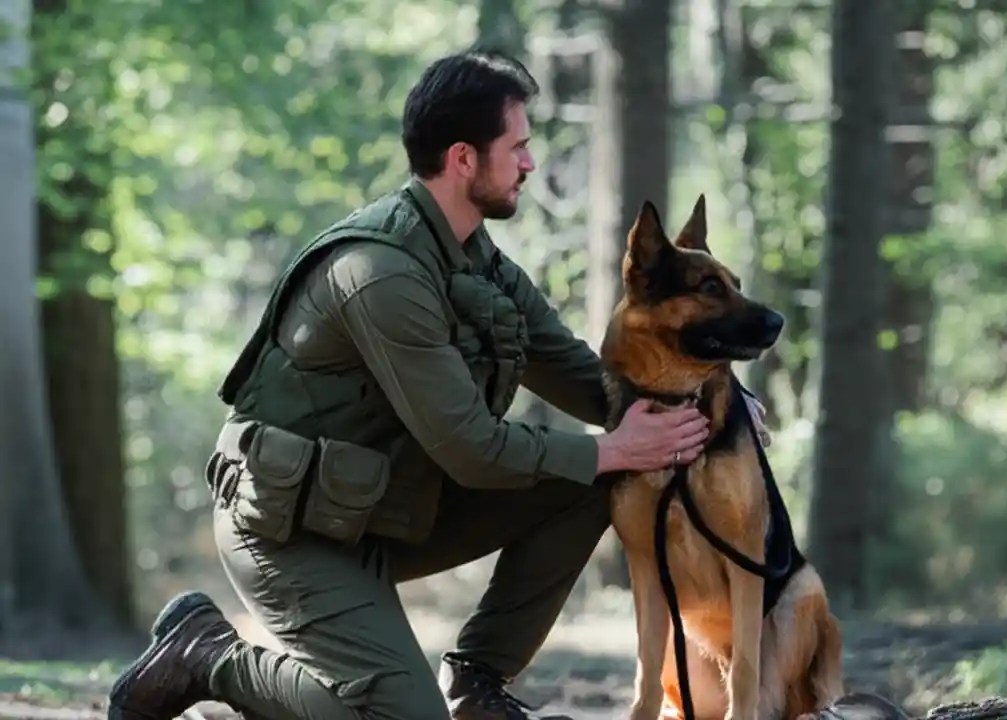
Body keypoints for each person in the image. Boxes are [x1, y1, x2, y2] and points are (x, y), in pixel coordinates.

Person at [105, 49, 752, 720]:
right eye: (518, 146)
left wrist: (715, 407)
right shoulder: (380, 274)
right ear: (464, 158)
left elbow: (587, 377)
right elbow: (470, 447)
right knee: (401, 717)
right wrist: (617, 448)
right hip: (289, 530)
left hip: (382, 508)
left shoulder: (476, 257)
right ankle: (208, 656)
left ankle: (477, 681)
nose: (530, 163)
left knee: (590, 482)